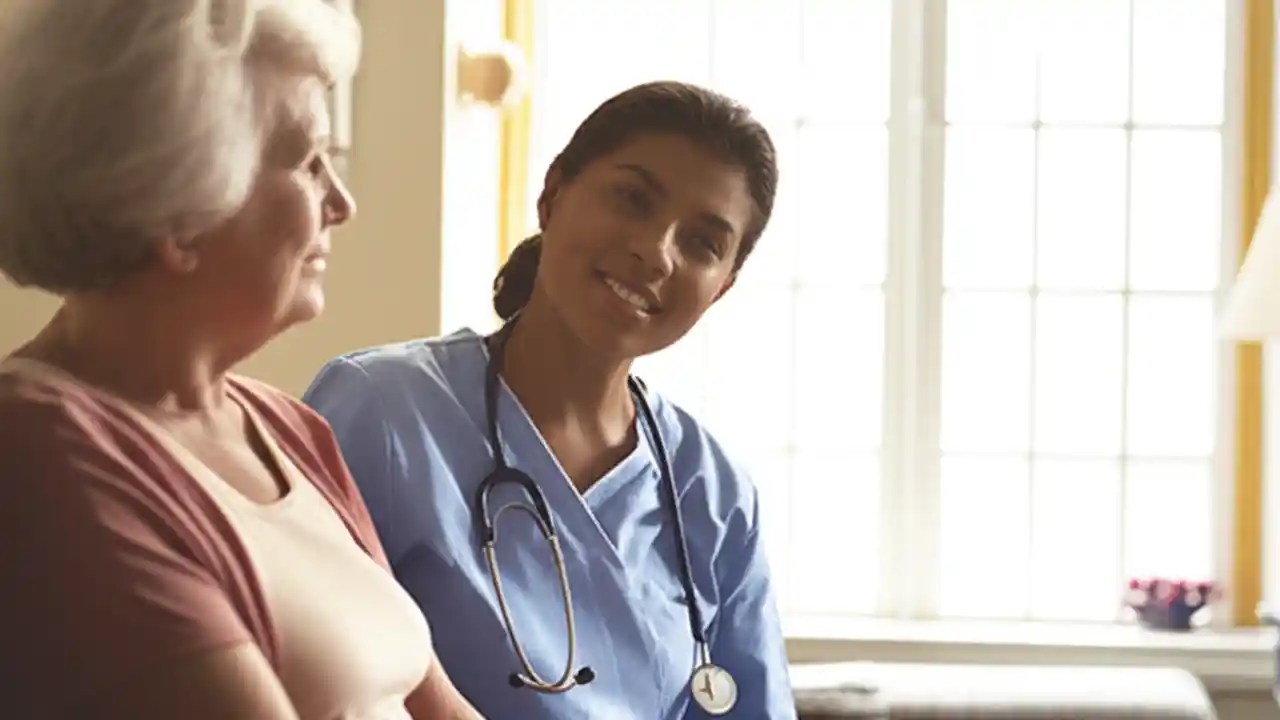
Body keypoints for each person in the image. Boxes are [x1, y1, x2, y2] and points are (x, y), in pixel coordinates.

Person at [0, 1, 481, 718]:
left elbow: (439, 707)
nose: (341, 202)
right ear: (178, 215)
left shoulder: (288, 427)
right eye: (307, 162)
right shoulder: (37, 452)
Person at [302, 80, 797, 718]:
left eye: (702, 243)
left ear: (721, 287)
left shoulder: (714, 493)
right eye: (633, 199)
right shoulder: (383, 411)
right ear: (553, 193)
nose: (655, 252)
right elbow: (303, 662)